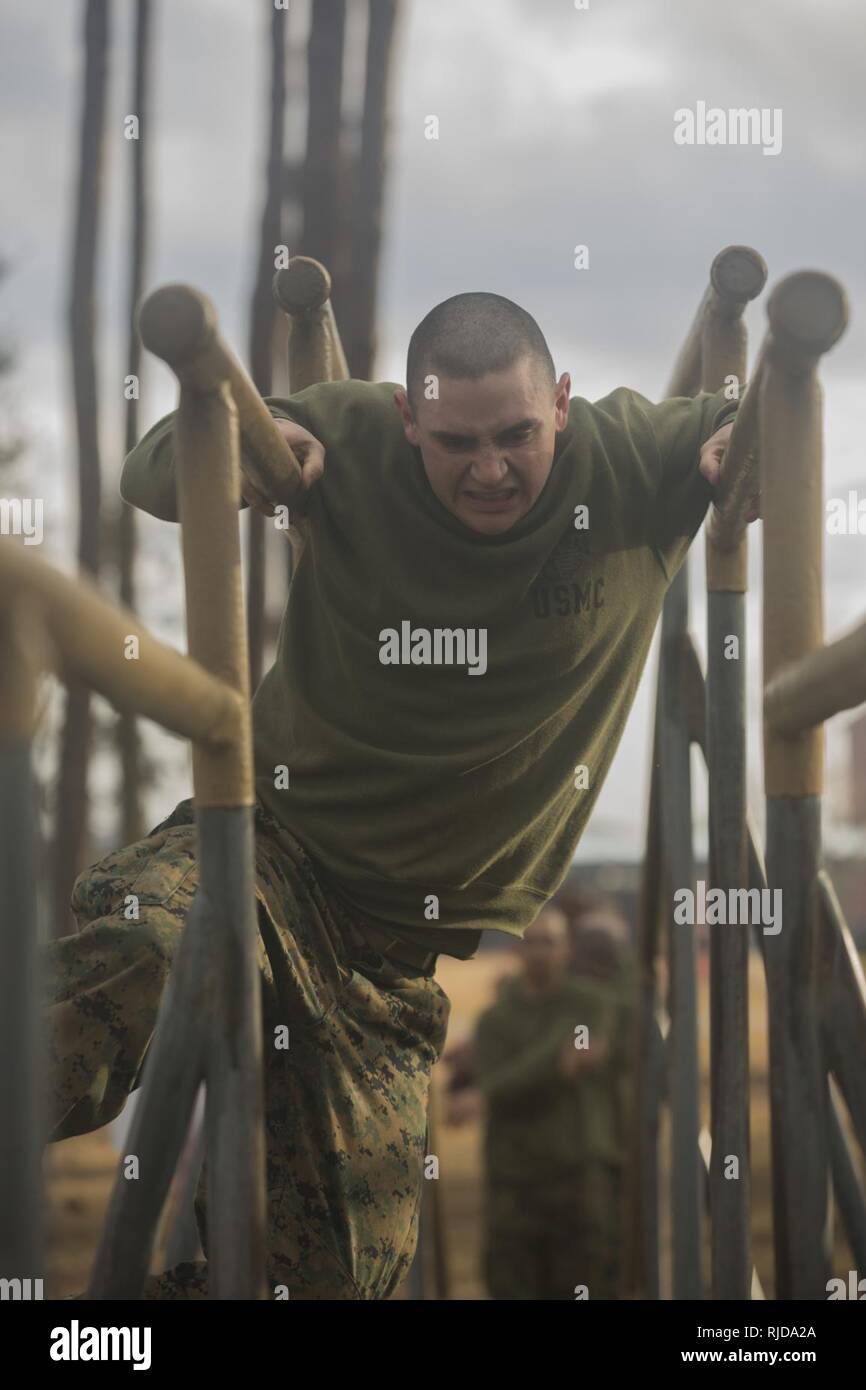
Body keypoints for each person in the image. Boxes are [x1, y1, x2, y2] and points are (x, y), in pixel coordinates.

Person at [43, 290, 749, 1299]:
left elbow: (741, 420)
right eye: (454, 441)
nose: (490, 468)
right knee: (149, 948)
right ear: (404, 415)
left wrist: (740, 445)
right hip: (264, 854)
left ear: (558, 402)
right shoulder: (356, 432)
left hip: (389, 965)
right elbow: (154, 463)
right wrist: (258, 441)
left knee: (338, 1274)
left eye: (515, 433)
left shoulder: (629, 459)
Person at [473, 904, 629, 1299]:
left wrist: (491, 1091)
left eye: (551, 942)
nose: (541, 951)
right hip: (514, 1183)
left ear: (568, 950)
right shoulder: (493, 1021)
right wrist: (552, 1063)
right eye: (532, 942)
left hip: (576, 1179)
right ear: (516, 950)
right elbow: (499, 1083)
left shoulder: (592, 1004)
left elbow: (573, 1056)